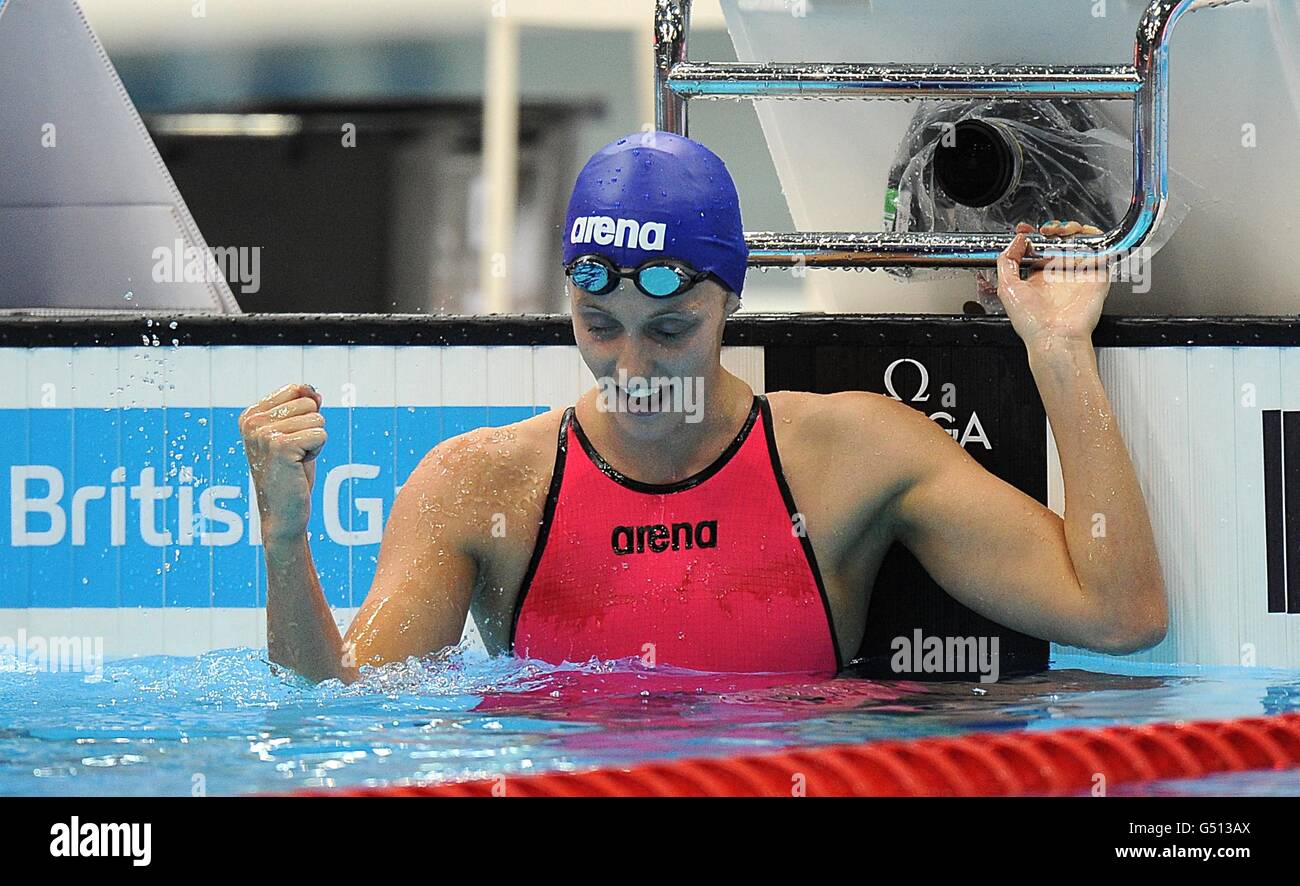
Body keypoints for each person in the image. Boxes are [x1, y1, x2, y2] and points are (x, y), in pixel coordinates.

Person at [241, 131, 1166, 684]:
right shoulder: (481, 484)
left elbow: (1120, 615)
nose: (632, 364)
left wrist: (1057, 351)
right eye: (598, 324)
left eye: (671, 329)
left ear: (733, 300)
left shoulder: (848, 457)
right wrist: (284, 543)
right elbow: (336, 715)